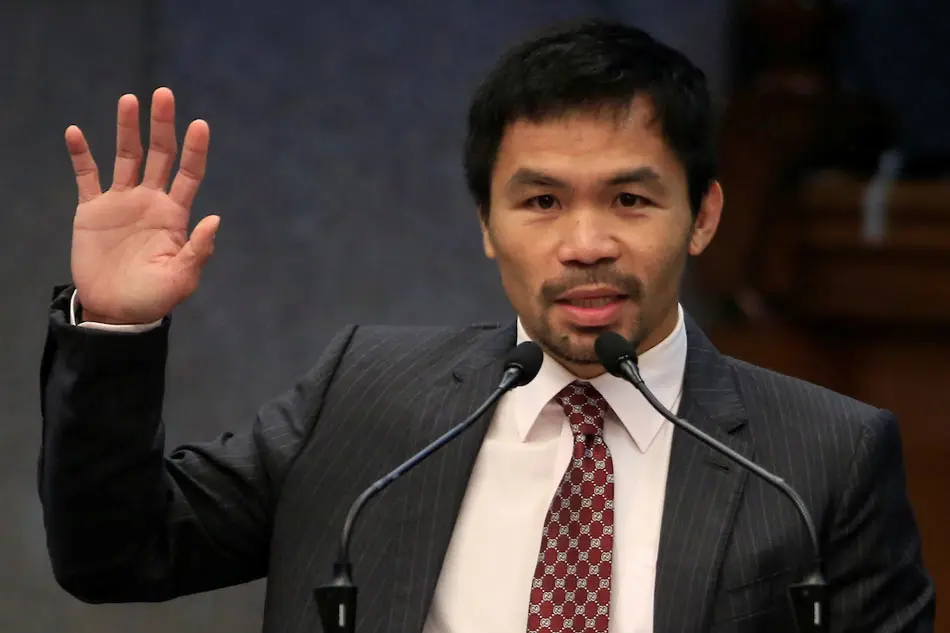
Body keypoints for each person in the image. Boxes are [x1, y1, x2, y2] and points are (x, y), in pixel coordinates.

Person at [39, 20, 934, 633]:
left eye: (630, 199)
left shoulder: (821, 459)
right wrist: (114, 327)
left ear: (702, 217)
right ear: (486, 223)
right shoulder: (366, 396)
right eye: (541, 201)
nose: (585, 243)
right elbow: (116, 553)